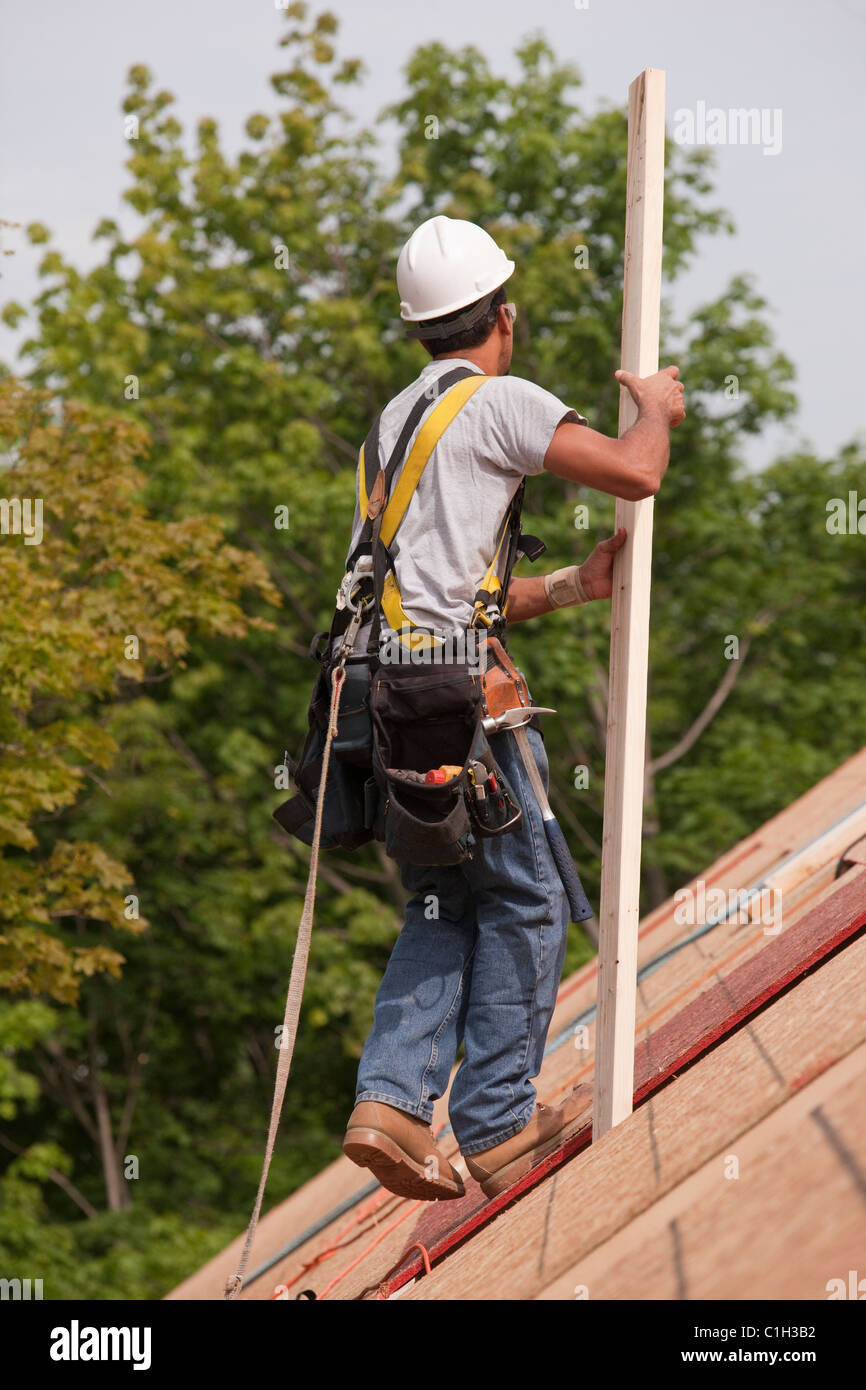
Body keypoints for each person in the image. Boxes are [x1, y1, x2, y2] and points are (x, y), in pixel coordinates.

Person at [341, 215, 686, 1200]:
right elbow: (636, 470)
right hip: (459, 702)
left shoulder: (391, 428)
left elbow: (440, 585)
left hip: (382, 697)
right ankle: (493, 1122)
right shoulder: (496, 403)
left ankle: (392, 1103)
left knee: (446, 897)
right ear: (503, 314)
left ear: (419, 329)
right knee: (527, 897)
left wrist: (573, 583)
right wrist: (652, 405)